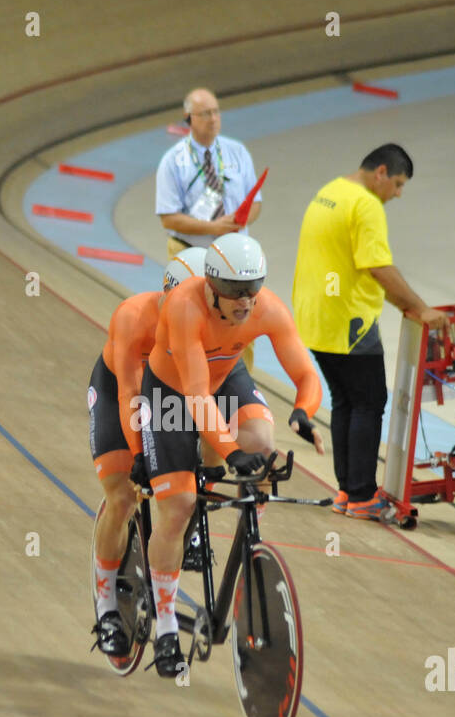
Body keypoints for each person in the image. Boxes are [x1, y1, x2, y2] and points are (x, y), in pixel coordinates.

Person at [136, 234, 324, 676]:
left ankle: (239, 529)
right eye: (236, 293)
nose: (246, 301)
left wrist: (303, 412)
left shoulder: (267, 307)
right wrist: (229, 450)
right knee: (179, 506)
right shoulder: (185, 306)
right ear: (211, 287)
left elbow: (305, 373)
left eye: (253, 289)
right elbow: (197, 398)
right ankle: (164, 624)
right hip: (171, 392)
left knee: (263, 444)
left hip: (225, 376)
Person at [291, 143, 450, 522]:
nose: (397, 193)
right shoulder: (366, 205)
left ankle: (347, 490)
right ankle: (362, 495)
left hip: (315, 317)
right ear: (380, 172)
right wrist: (419, 306)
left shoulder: (330, 191)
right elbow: (379, 267)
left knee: (346, 401)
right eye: (396, 184)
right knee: (368, 401)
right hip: (349, 322)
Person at [89, 248, 209, 657]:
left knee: (187, 485)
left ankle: (181, 534)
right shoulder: (132, 316)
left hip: (170, 391)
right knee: (122, 497)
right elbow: (129, 393)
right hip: (123, 392)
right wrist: (141, 455)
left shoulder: (209, 318)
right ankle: (106, 606)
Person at [155, 88, 262, 257]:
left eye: (216, 112)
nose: (213, 119)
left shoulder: (238, 151)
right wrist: (213, 228)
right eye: (205, 114)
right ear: (188, 118)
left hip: (235, 252)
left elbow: (255, 202)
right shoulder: (172, 161)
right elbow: (168, 218)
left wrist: (235, 223)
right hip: (192, 254)